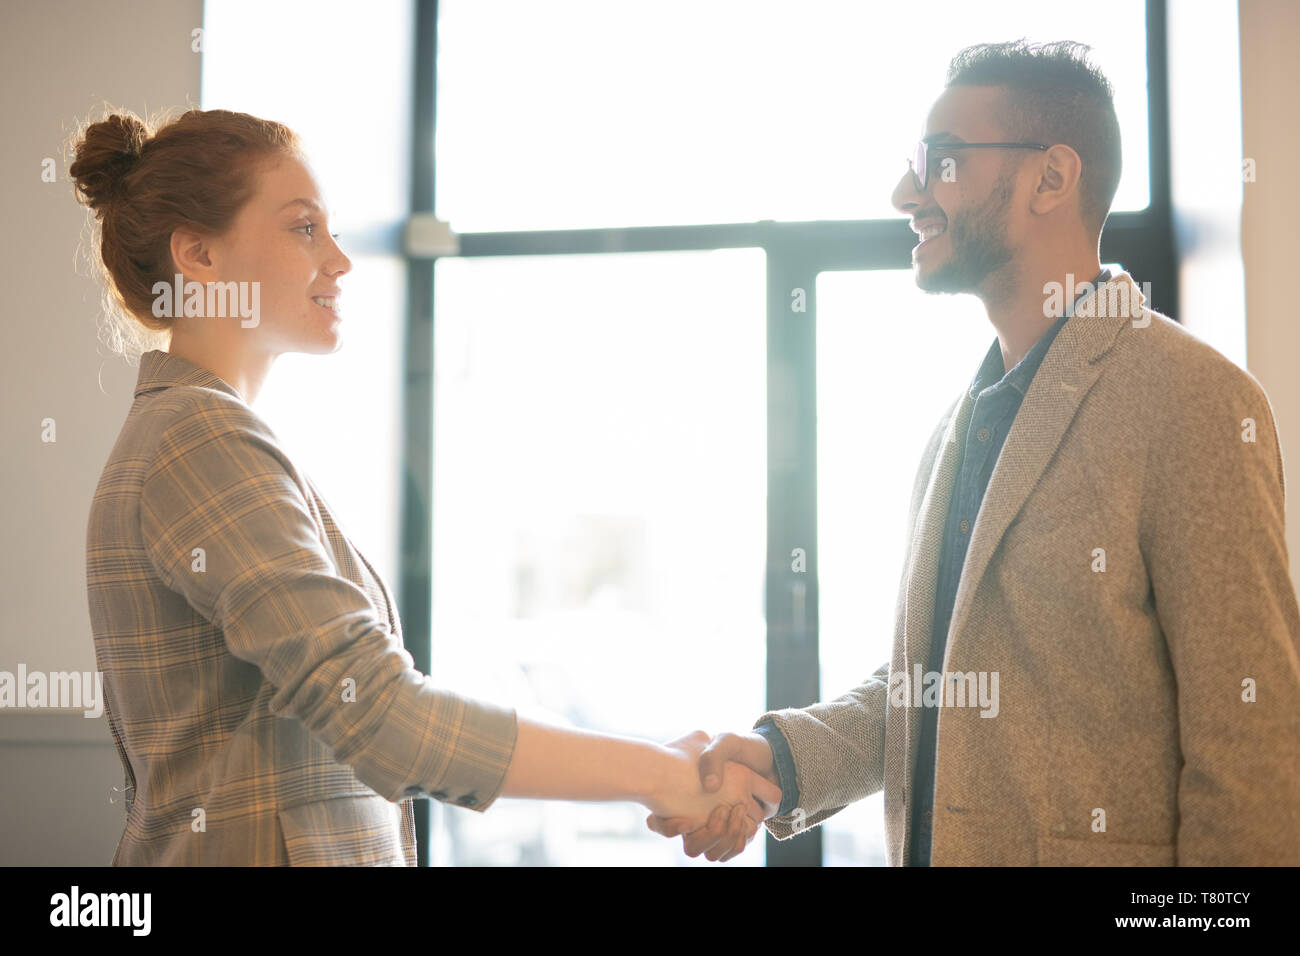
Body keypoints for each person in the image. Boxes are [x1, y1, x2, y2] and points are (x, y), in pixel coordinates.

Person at [649, 39, 1300, 865]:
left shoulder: (1194, 402)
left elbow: (1253, 752)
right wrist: (779, 758)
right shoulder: (956, 431)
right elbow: (937, 690)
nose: (904, 192)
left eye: (941, 160)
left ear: (1051, 178)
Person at [74, 107, 779, 866]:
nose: (339, 260)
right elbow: (382, 717)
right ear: (199, 255)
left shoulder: (204, 432)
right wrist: (664, 774)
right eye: (303, 227)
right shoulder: (202, 439)